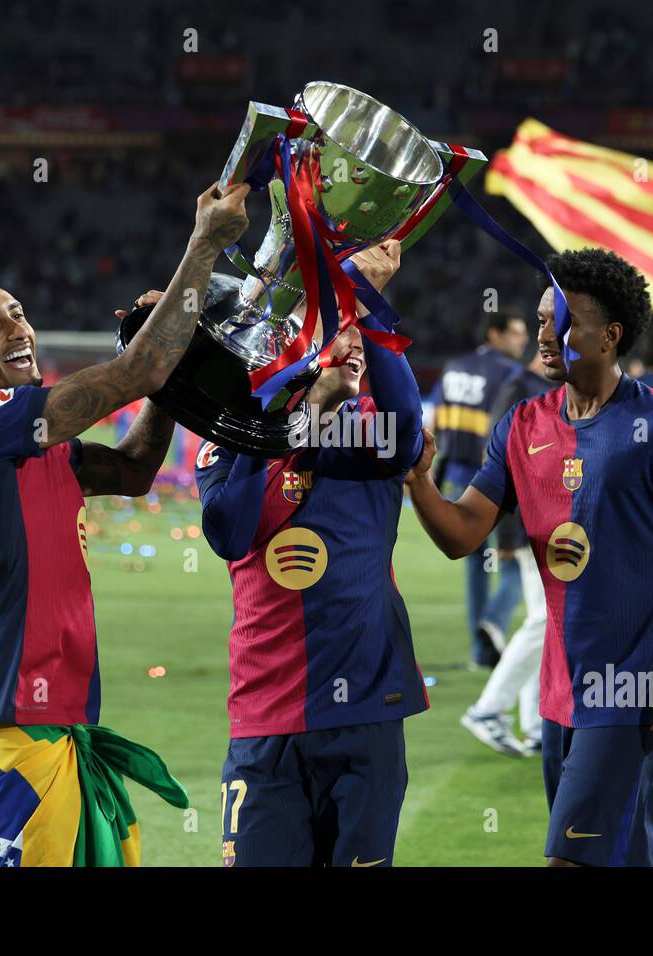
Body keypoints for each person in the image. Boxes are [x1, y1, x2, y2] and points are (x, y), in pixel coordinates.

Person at [0, 182, 251, 866]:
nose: (16, 329)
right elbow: (139, 367)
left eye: (16, 314)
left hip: (59, 724)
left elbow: (131, 471)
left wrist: (171, 384)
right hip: (2, 729)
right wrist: (205, 244)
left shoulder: (34, 440)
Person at [406, 248, 653, 866]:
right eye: (539, 318)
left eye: (561, 319)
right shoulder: (523, 425)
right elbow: (461, 535)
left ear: (610, 336)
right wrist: (418, 481)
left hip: (638, 689)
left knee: (572, 862)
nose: (543, 332)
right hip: (559, 693)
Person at [194, 240, 426, 867]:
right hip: (267, 716)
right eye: (338, 333)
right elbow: (229, 533)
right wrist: (287, 411)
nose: (353, 347)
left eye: (358, 335)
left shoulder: (366, 431)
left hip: (367, 715)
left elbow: (406, 438)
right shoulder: (231, 445)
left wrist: (370, 303)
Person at [460, 343, 555, 757]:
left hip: (543, 523)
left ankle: (535, 727)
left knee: (546, 621)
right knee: (547, 621)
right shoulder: (521, 387)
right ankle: (488, 708)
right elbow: (498, 461)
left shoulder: (538, 385)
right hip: (530, 524)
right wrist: (509, 535)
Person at [428, 313, 528, 667]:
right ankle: (494, 624)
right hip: (496, 480)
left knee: (476, 561)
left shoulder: (455, 367)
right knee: (516, 559)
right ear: (495, 333)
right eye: (516, 334)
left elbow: (436, 421)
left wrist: (436, 477)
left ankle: (479, 650)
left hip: (458, 476)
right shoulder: (509, 374)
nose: (522, 341)